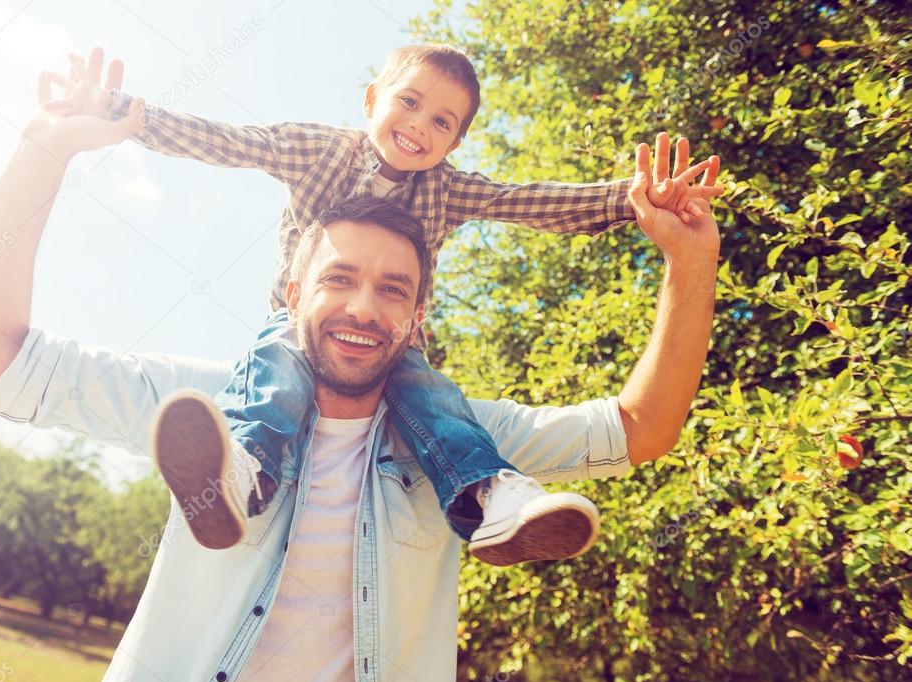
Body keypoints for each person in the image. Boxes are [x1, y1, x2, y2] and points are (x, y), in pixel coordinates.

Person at [0, 73, 721, 679]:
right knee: (248, 418)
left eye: (391, 289)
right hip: (234, 424)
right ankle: (242, 473)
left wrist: (682, 252)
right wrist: (52, 143)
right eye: (338, 278)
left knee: (461, 444)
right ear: (293, 292)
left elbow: (640, 426)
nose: (362, 307)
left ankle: (491, 496)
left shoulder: (450, 424)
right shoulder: (202, 408)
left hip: (454, 438)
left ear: (417, 315)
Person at [40, 44, 721, 565]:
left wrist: (628, 201)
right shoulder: (315, 150)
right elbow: (230, 142)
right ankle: (244, 472)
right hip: (301, 327)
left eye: (441, 122)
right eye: (408, 103)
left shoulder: (449, 190)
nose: (418, 127)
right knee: (277, 366)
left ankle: (492, 497)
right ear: (372, 99)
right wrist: (128, 115)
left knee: (429, 394)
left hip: (395, 341)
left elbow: (526, 201)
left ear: (455, 143)